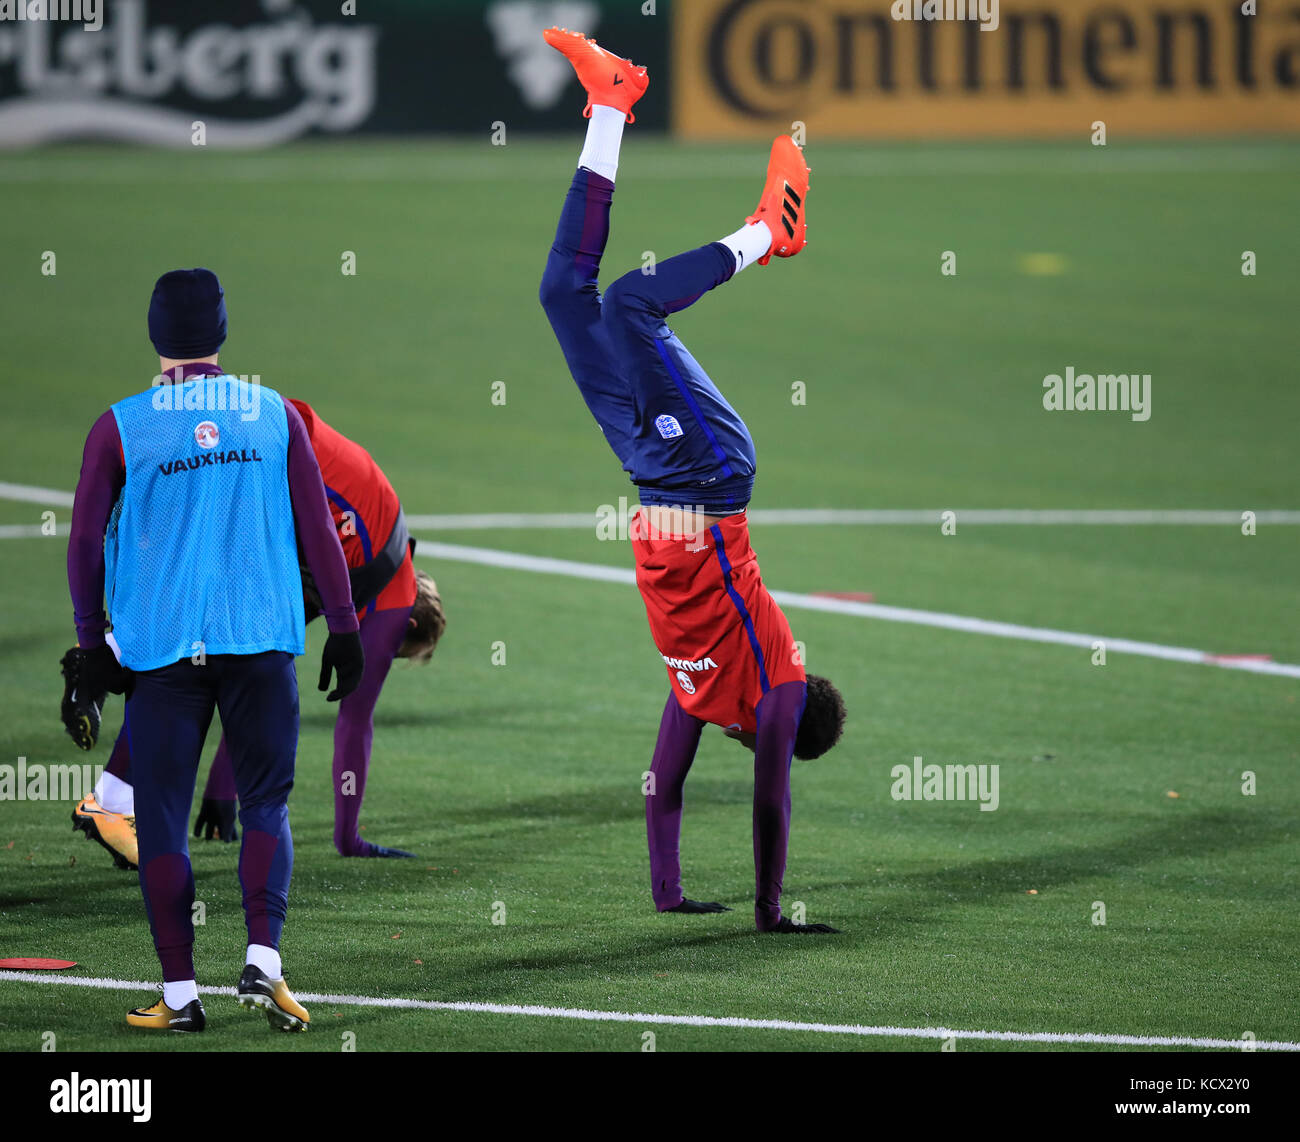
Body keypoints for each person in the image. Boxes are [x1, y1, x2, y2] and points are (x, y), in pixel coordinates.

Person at [539, 29, 847, 935]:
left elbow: (662, 785)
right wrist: (767, 910)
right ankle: (770, 230)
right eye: (769, 746)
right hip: (710, 478)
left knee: (566, 294)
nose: (760, 747)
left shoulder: (695, 693)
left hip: (649, 475)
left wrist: (668, 892)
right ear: (780, 733)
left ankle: (609, 103)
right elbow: (769, 805)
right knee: (633, 303)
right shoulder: (777, 685)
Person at [66, 267, 364, 1032]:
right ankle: (264, 963)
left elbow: (83, 545)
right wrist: (345, 627)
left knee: (161, 819)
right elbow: (318, 531)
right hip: (260, 639)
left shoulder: (122, 425)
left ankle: (180, 997)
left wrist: (90, 641)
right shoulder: (271, 414)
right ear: (223, 332)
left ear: (155, 334)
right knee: (266, 803)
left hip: (164, 652)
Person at [72, 400, 447, 866]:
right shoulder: (389, 595)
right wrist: (350, 840)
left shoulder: (363, 556)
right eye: (396, 650)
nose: (384, 653)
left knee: (208, 635)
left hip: (246, 431)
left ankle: (112, 779)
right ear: (409, 624)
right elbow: (355, 724)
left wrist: (221, 793)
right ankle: (112, 686)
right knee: (212, 639)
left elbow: (254, 663)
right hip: (272, 453)